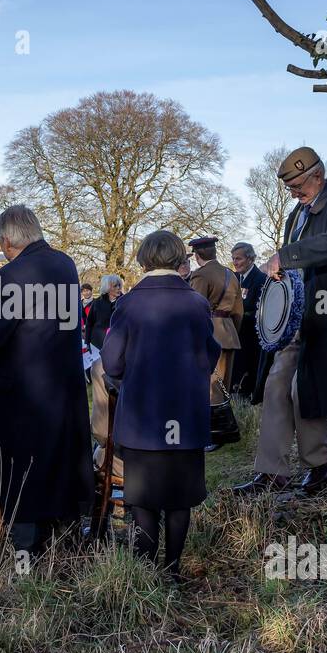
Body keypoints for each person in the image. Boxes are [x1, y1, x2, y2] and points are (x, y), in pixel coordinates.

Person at [235, 147, 327, 498]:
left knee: (306, 389)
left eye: (298, 186)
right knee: (276, 386)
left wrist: (285, 255)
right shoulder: (295, 214)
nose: (294, 194)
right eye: (290, 189)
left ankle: (321, 463)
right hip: (298, 317)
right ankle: (271, 472)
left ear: (318, 175)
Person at [0, 205, 93, 554]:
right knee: (60, 463)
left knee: (24, 472)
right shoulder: (65, 264)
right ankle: (66, 544)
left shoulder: (9, 277)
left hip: (24, 392)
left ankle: (27, 555)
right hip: (64, 386)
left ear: (6, 240)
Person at [101, 231, 219, 579]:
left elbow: (112, 362)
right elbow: (209, 356)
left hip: (142, 416)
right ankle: (173, 566)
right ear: (179, 258)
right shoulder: (196, 302)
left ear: (143, 259)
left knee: (143, 497)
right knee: (180, 498)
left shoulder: (129, 303)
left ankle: (145, 569)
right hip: (186, 415)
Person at [187, 236, 241, 448]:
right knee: (222, 385)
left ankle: (214, 435)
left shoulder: (200, 275)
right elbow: (238, 311)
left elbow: (195, 309)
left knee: (209, 388)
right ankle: (221, 432)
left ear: (198, 255)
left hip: (209, 333)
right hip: (229, 333)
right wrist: (231, 332)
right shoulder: (230, 274)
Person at [230, 241, 265, 398]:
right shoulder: (233, 278)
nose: (235, 262)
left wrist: (239, 314)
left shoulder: (261, 280)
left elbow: (259, 311)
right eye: (233, 258)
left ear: (251, 259)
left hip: (250, 341)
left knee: (245, 385)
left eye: (239, 259)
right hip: (234, 337)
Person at [84, 274, 121, 351]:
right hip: (98, 344)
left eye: (119, 285)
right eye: (115, 286)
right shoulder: (97, 303)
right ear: (107, 288)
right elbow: (89, 323)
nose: (118, 288)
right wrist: (87, 342)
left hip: (118, 345)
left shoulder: (124, 302)